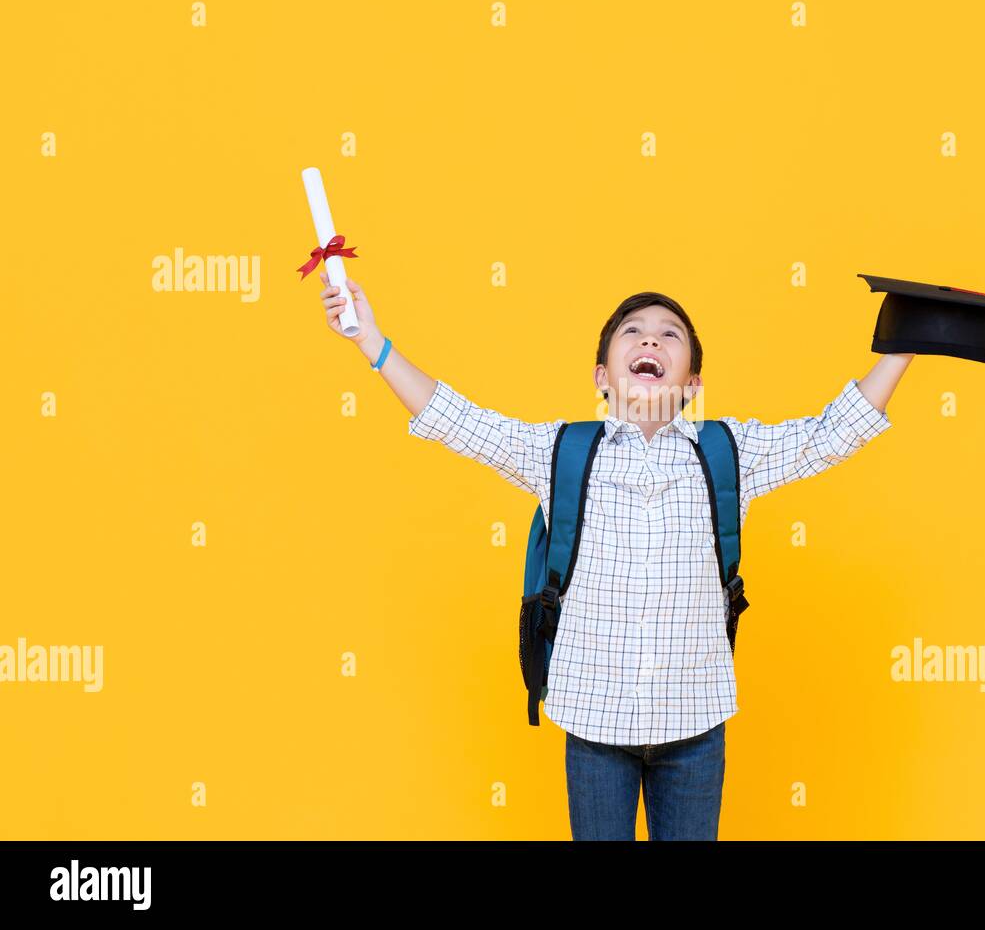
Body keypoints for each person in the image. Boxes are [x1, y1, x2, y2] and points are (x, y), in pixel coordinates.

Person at [318, 273, 913, 839]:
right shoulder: (559, 451)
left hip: (696, 723)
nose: (651, 337)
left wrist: (904, 346)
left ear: (693, 384)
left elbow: (834, 433)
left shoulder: (734, 453)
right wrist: (371, 341)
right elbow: (455, 419)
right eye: (634, 331)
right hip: (594, 726)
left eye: (669, 334)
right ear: (603, 376)